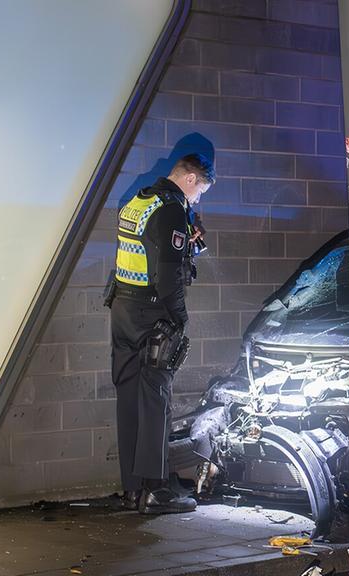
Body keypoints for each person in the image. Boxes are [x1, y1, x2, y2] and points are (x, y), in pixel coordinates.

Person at [108, 153, 213, 513]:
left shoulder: (139, 201)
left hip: (123, 308)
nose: (198, 200)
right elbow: (168, 275)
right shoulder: (169, 210)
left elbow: (147, 252)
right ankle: (156, 491)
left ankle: (132, 489)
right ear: (191, 180)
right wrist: (180, 320)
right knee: (156, 398)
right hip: (152, 313)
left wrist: (191, 239)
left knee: (130, 398)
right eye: (201, 192)